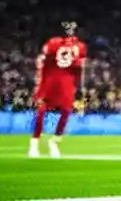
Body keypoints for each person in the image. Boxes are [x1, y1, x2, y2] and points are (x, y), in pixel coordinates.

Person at [30, 21, 88, 159]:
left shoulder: (80, 47)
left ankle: (55, 140)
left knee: (67, 111)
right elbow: (42, 61)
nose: (70, 32)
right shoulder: (54, 43)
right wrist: (39, 82)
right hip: (50, 79)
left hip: (66, 82)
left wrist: (80, 87)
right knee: (41, 111)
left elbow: (80, 68)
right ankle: (34, 142)